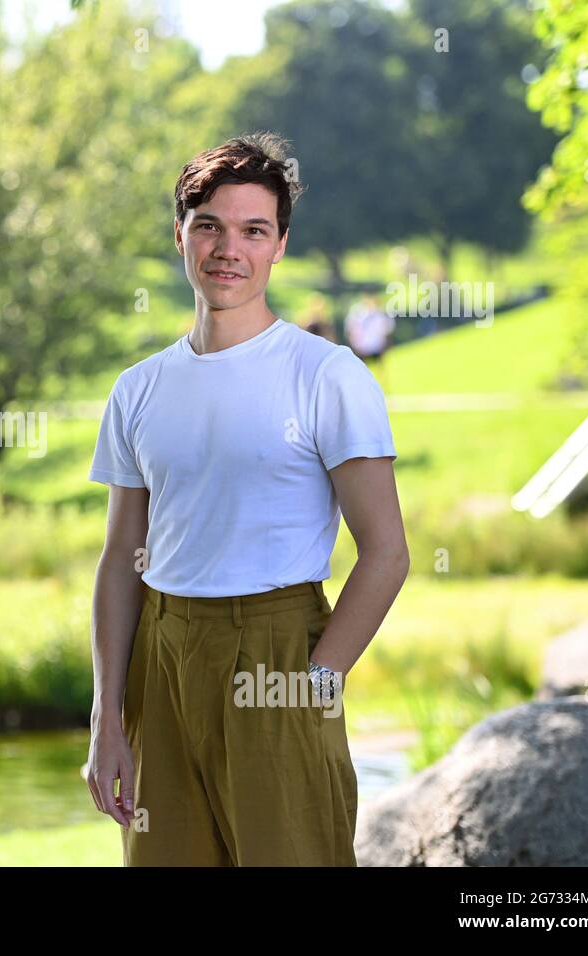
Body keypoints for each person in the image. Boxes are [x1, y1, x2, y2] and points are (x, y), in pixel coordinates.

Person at [85, 133, 409, 866]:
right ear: (180, 234)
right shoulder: (137, 389)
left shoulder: (327, 376)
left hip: (276, 651)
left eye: (253, 230)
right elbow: (117, 564)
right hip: (160, 659)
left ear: (279, 245)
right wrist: (108, 717)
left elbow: (386, 553)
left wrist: (317, 682)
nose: (228, 248)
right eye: (210, 226)